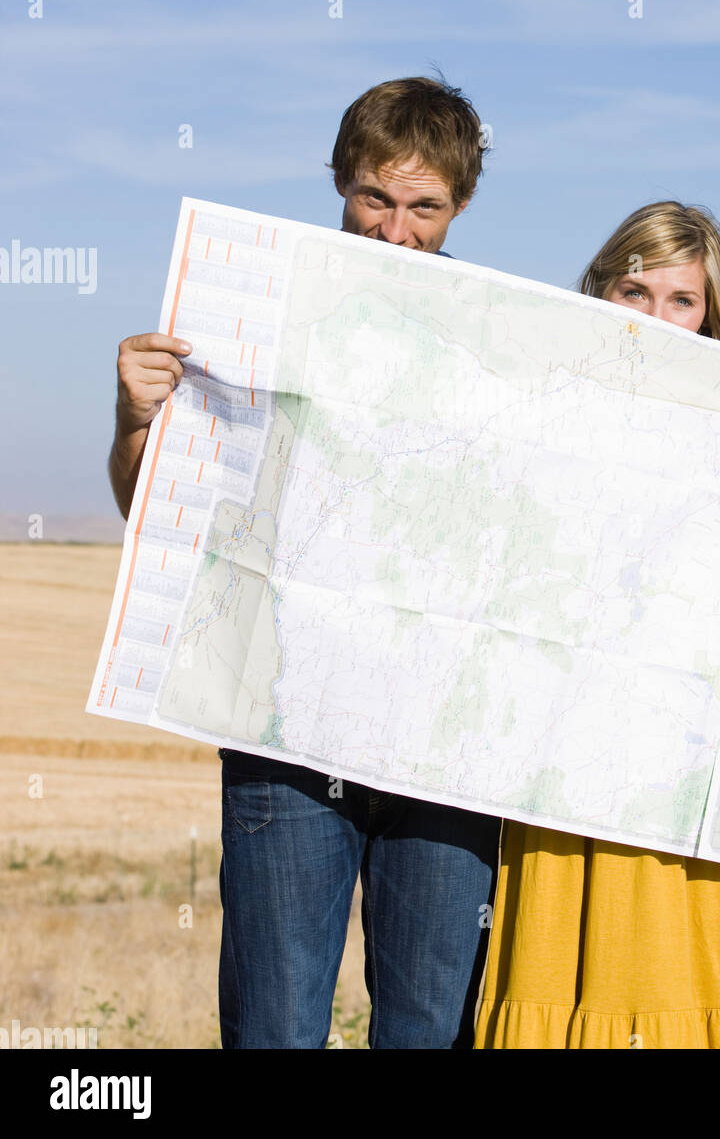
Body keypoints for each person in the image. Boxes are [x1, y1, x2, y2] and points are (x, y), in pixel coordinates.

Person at [108, 75, 502, 1049]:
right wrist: (133, 419)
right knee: (275, 1026)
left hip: (439, 740)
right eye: (374, 195)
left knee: (426, 1030)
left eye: (423, 206)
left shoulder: (507, 348)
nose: (394, 230)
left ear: (459, 206)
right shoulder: (251, 317)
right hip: (284, 726)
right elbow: (150, 509)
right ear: (339, 180)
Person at [474, 200, 720, 1050]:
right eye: (635, 291)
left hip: (693, 762)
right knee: (564, 970)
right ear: (600, 294)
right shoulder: (545, 408)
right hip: (563, 762)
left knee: (702, 980)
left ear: (708, 314)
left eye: (681, 299)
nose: (658, 318)